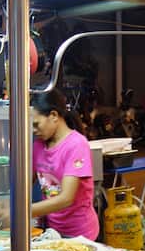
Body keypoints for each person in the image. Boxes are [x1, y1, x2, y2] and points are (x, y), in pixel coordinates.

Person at [31, 88, 99, 240]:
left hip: (80, 233)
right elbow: (25, 184)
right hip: (52, 230)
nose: (33, 130)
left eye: (36, 124)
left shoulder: (76, 145)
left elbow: (66, 198)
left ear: (54, 115)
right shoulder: (38, 146)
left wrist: (21, 212)